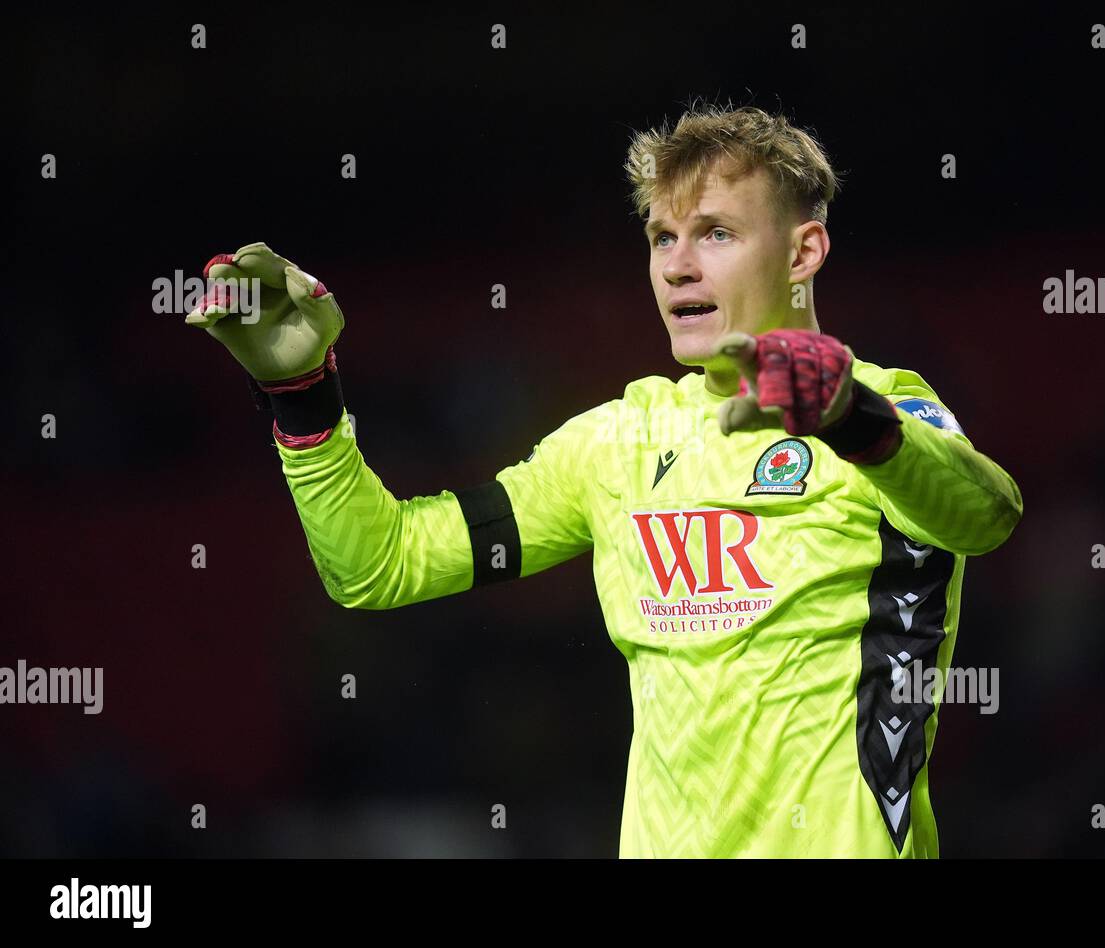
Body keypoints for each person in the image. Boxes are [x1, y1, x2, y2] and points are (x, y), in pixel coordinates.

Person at [186, 103, 1023, 858]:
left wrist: (848, 416)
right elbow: (380, 564)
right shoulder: (617, 443)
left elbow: (986, 515)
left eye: (717, 234)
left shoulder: (885, 410)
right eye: (663, 237)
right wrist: (303, 403)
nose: (678, 267)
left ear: (803, 251)